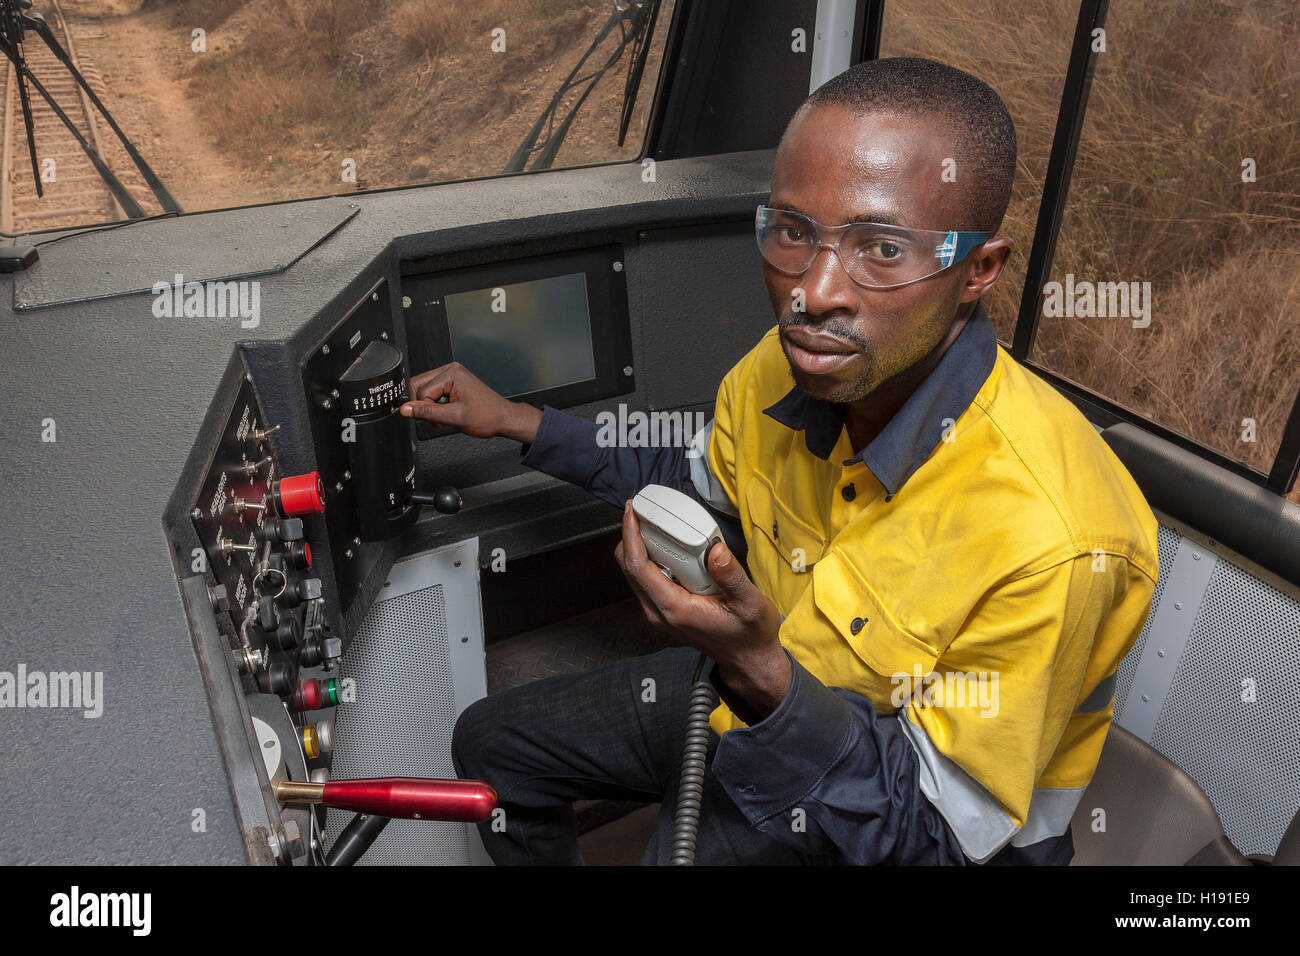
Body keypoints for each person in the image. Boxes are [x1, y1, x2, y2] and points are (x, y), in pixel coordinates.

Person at [401, 57, 1160, 865]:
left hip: (896, 806)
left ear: (979, 269)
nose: (814, 291)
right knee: (495, 744)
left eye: (882, 247)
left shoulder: (1061, 542)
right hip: (759, 689)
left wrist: (761, 671)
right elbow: (697, 477)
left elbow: (932, 838)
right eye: (794, 232)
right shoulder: (784, 364)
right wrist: (521, 422)